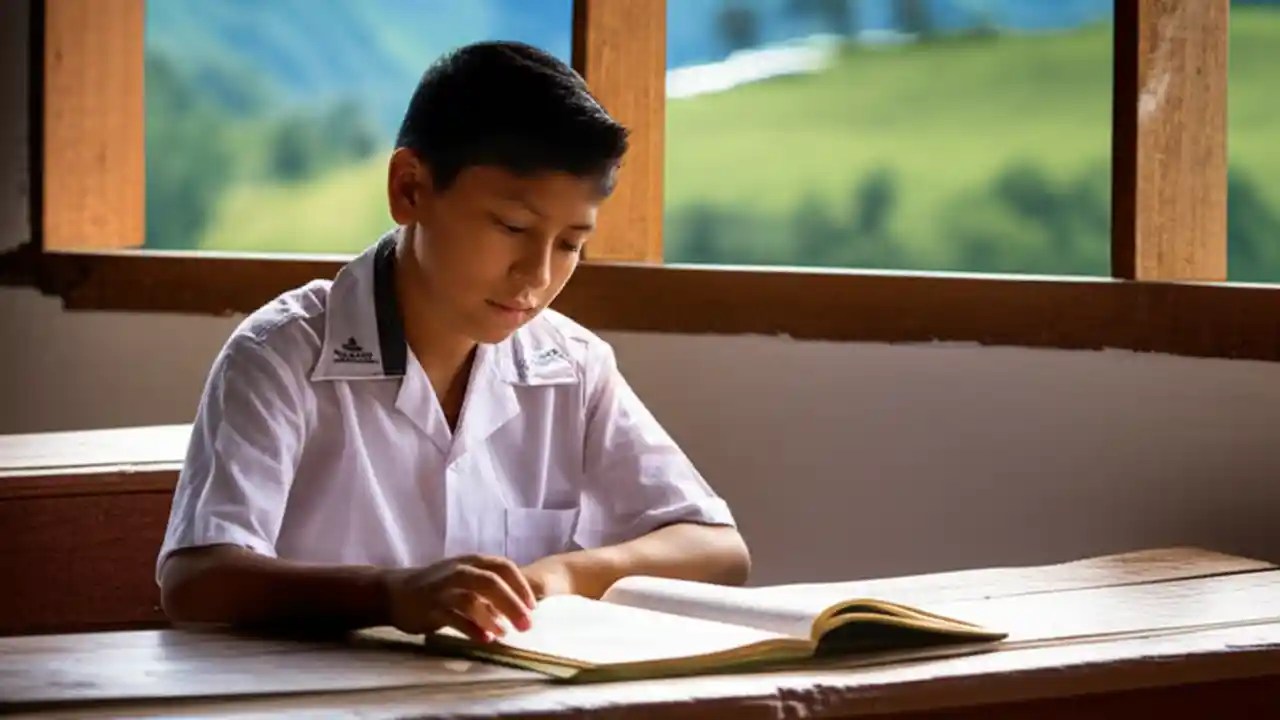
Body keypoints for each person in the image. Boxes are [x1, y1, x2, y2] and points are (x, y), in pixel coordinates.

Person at [156, 41, 749, 644]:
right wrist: (388, 594)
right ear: (410, 189)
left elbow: (718, 550)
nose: (538, 275)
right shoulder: (280, 355)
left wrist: (565, 575)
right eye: (512, 228)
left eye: (571, 243)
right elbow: (198, 579)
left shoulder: (572, 367)